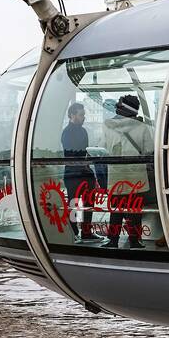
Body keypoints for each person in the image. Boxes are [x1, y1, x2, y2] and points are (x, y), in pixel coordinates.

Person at [103, 94, 155, 248]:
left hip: (116, 173)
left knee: (116, 210)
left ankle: (113, 240)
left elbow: (103, 147)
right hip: (136, 174)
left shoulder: (108, 125)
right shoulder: (142, 127)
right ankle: (134, 240)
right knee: (134, 210)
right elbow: (148, 149)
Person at [61, 101, 100, 244]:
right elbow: (74, 154)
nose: (84, 117)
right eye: (81, 115)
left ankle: (82, 232)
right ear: (72, 115)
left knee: (83, 203)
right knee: (75, 204)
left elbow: (81, 153)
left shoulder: (76, 131)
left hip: (78, 173)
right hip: (76, 174)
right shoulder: (69, 132)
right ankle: (77, 232)